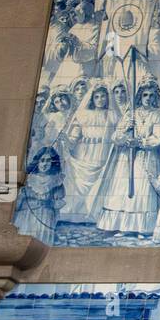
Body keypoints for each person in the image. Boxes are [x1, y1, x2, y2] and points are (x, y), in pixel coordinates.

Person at [96, 82, 160, 236]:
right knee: (123, 189)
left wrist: (140, 142)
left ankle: (142, 228)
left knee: (142, 189)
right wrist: (126, 133)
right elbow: (115, 136)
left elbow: (158, 138)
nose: (148, 98)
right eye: (145, 95)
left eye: (151, 95)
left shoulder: (156, 114)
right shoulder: (130, 113)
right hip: (126, 157)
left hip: (145, 156)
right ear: (140, 96)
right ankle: (123, 226)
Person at [57, 82, 120, 224]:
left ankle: (93, 215)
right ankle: (76, 214)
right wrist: (66, 139)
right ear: (92, 99)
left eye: (103, 96)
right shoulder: (83, 115)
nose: (100, 99)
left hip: (102, 153)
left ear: (107, 98)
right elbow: (74, 138)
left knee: (98, 185)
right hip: (84, 153)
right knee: (79, 184)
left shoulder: (113, 115)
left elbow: (117, 135)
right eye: (96, 97)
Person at [15, 147, 65, 246]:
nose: (44, 164)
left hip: (45, 217)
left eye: (48, 161)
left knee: (41, 244)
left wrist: (49, 203)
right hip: (26, 216)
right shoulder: (28, 179)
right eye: (42, 160)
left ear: (53, 163)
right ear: (37, 162)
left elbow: (58, 203)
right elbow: (18, 202)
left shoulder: (56, 181)